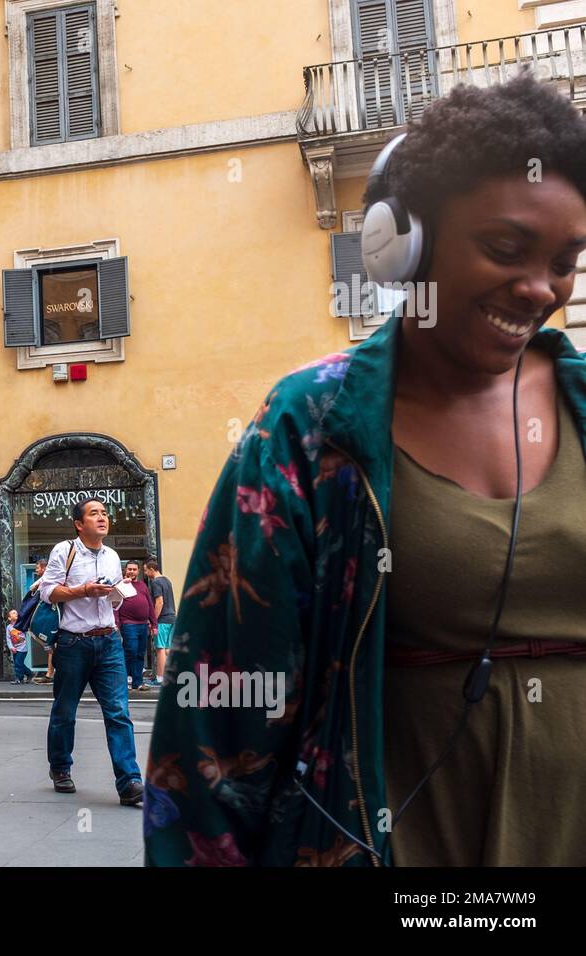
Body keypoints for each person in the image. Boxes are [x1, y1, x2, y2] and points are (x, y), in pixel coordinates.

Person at [147, 76, 586, 867]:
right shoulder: (310, 426)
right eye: (506, 250)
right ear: (405, 241)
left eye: (566, 260)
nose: (540, 288)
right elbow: (216, 711)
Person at [39, 498, 142, 807]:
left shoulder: (113, 556)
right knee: (65, 711)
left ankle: (129, 782)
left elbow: (112, 602)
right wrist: (83, 590)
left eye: (105, 513)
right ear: (79, 524)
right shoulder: (64, 550)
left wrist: (115, 593)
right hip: (73, 643)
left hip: (109, 641)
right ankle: (60, 767)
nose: (102, 518)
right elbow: (48, 591)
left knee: (119, 713)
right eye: (94, 513)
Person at [116, 560, 155, 691]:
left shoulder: (143, 585)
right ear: (125, 570)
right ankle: (124, 681)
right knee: (130, 652)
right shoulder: (120, 585)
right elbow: (115, 606)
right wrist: (116, 623)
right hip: (128, 624)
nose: (131, 571)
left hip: (143, 625)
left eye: (134, 569)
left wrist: (154, 624)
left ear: (138, 571)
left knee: (139, 654)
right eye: (129, 569)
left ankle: (137, 683)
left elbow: (150, 605)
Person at [144, 559, 176, 688]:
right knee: (168, 649)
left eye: (146, 570)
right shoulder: (167, 580)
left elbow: (159, 602)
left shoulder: (155, 582)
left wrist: (154, 621)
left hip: (162, 620)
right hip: (172, 617)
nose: (145, 573)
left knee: (160, 649)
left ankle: (160, 679)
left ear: (152, 569)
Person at [28, 558, 55, 685]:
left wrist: (39, 584)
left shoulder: (48, 578)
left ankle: (51, 673)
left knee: (51, 644)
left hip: (51, 614)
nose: (36, 570)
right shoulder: (48, 578)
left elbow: (32, 587)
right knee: (50, 645)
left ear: (44, 568)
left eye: (38, 567)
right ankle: (50, 672)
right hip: (50, 614)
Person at [6, 610, 32, 684]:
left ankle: (19, 679)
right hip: (14, 649)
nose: (16, 613)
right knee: (19, 664)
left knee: (18, 664)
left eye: (16, 613)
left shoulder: (21, 624)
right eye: (13, 613)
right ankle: (29, 673)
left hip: (22, 649)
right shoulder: (9, 627)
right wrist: (11, 647)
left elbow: (27, 629)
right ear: (9, 618)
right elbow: (8, 638)